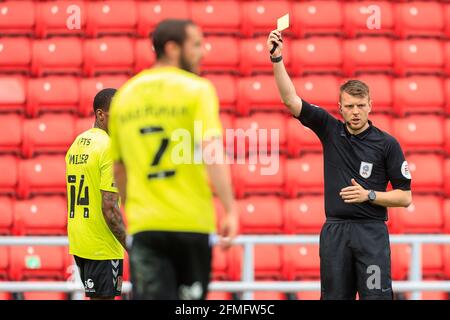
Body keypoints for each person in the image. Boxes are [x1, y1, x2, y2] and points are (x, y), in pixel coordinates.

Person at [267, 30, 412, 300]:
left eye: (360, 105)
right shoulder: (329, 129)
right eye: (349, 106)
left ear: (370, 106)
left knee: (377, 297)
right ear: (340, 107)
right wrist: (277, 60)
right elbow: (290, 100)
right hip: (335, 232)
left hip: (371, 234)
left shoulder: (387, 144)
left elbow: (405, 197)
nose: (355, 112)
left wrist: (369, 196)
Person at [108, 19, 238, 300]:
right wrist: (229, 209)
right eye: (196, 45)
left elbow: (119, 168)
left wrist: (133, 206)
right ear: (172, 48)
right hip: (191, 222)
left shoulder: (124, 97)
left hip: (146, 225)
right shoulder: (197, 89)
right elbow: (211, 150)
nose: (202, 52)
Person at [66, 88, 127, 300]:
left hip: (80, 240)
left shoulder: (77, 144)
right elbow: (109, 208)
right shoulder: (109, 148)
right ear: (101, 114)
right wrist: (131, 245)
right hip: (103, 244)